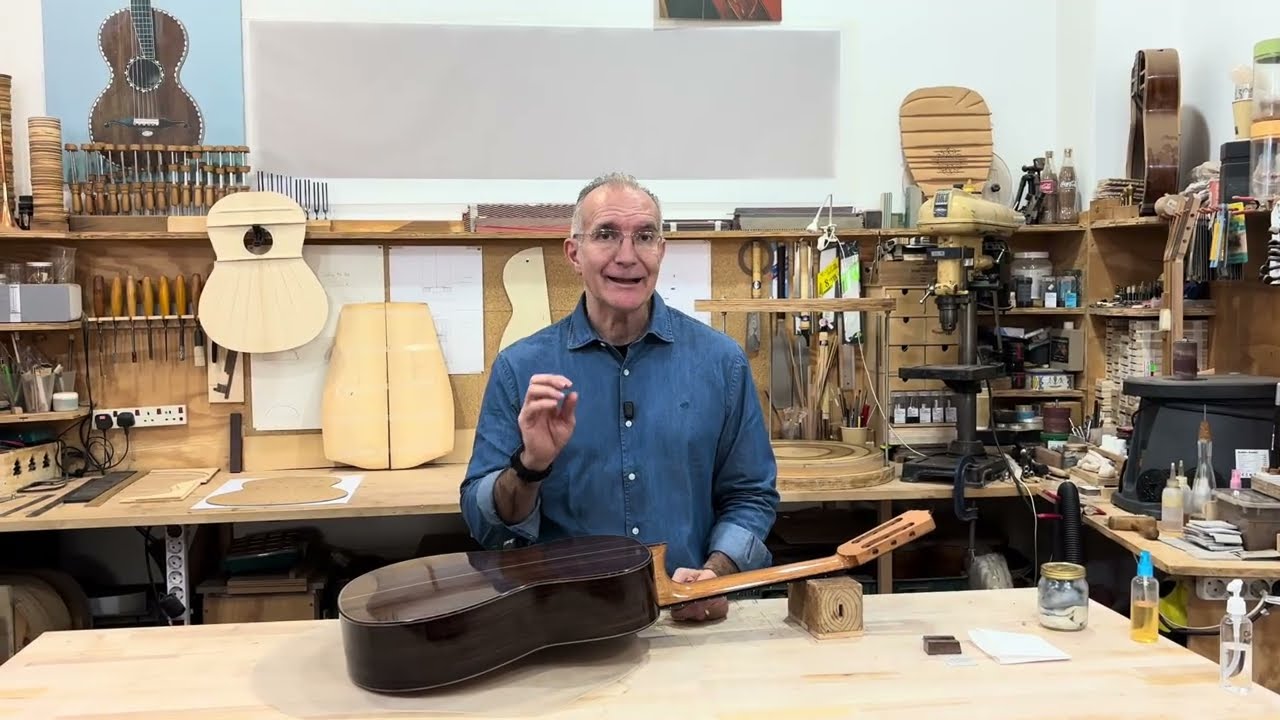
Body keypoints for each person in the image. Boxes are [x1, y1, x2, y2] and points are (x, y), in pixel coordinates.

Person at [460, 172, 779, 623]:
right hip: (565, 628)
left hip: (686, 626)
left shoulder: (720, 363)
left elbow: (751, 496)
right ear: (574, 253)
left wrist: (716, 572)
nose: (627, 256)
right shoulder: (521, 370)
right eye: (606, 234)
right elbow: (484, 527)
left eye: (644, 236)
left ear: (661, 252)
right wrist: (529, 466)